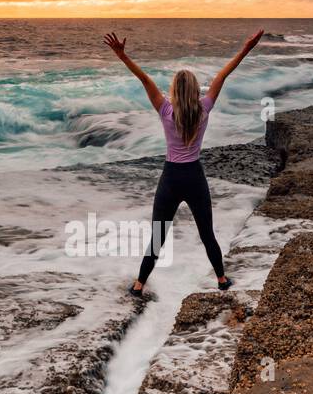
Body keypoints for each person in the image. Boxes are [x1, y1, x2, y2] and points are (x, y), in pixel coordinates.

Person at [104, 28, 264, 297]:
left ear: (174, 91)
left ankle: (139, 285)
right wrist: (246, 48)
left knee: (158, 237)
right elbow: (223, 75)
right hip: (194, 178)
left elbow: (144, 79)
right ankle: (222, 280)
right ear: (194, 91)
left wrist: (122, 56)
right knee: (207, 235)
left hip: (170, 179)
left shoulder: (165, 110)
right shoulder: (204, 109)